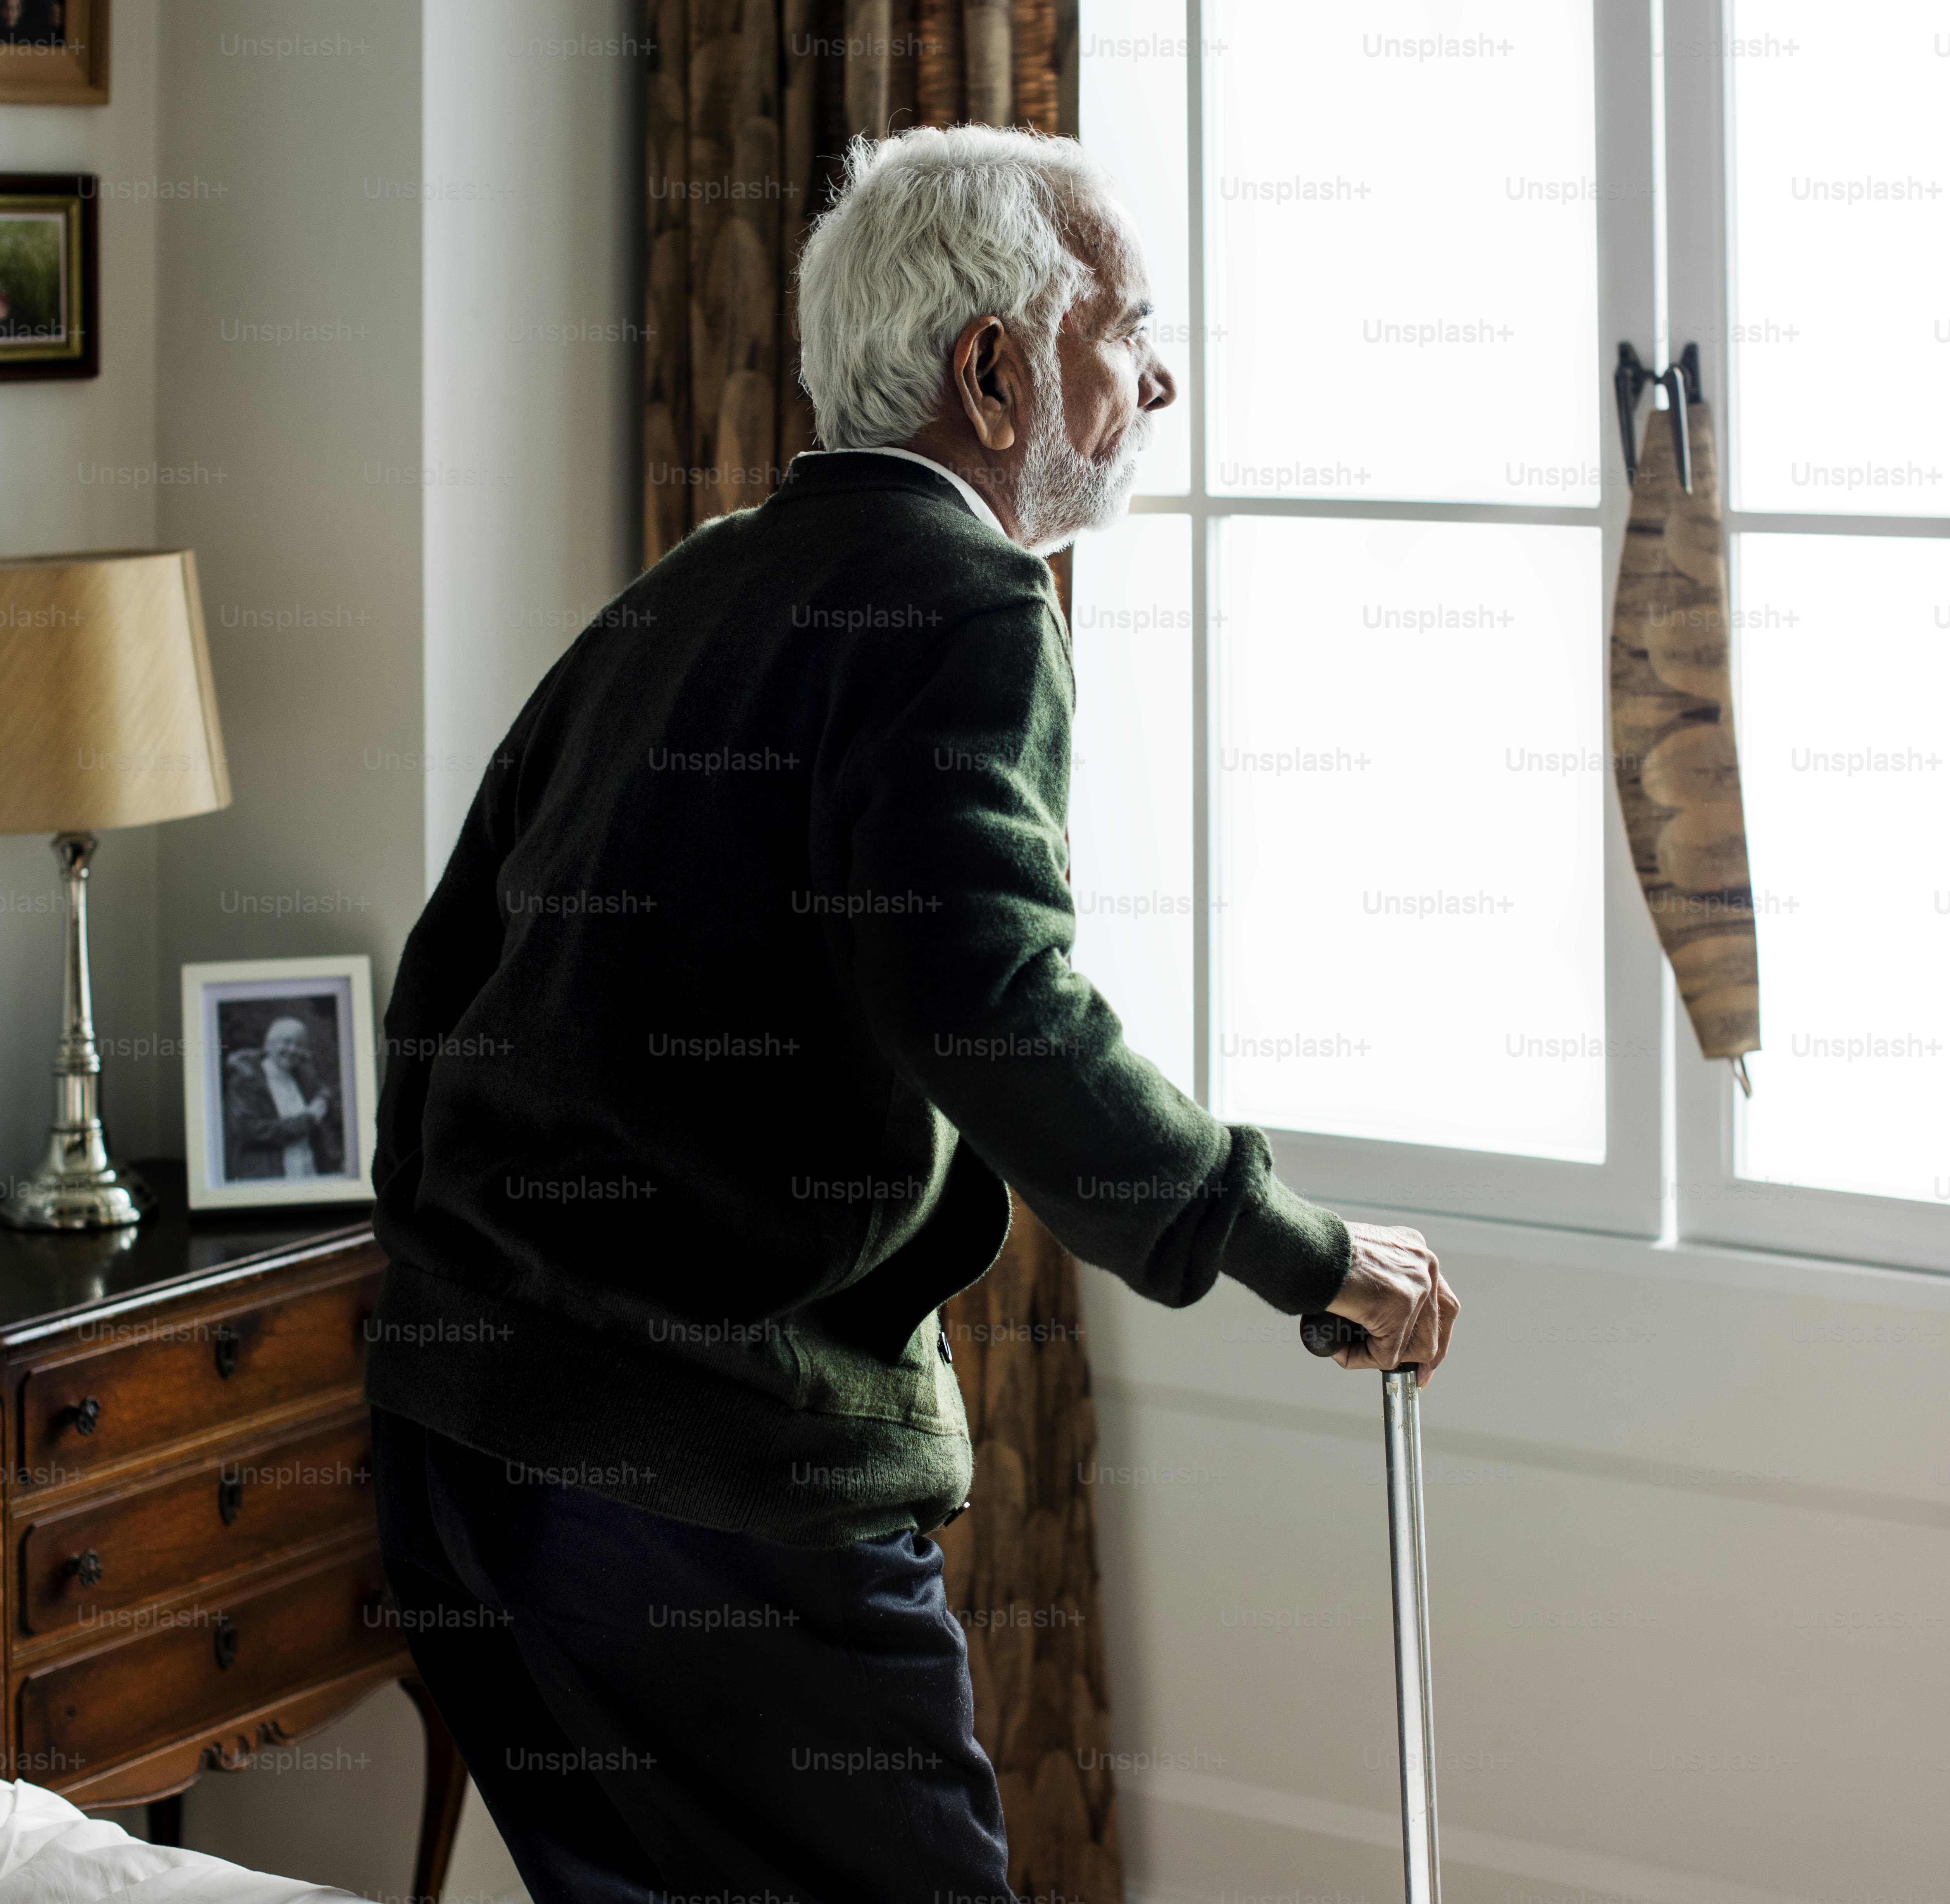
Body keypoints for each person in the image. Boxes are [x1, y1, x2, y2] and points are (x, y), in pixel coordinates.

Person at [366, 124, 1459, 1904]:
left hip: (462, 1458)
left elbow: (441, 984)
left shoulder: (683, 591)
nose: (1157, 376)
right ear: (994, 363)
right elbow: (993, 999)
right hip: (704, 1478)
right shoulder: (962, 597)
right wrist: (1297, 1245)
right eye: (1126, 327)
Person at [221, 1015, 340, 1180]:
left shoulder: (302, 1076)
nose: (293, 1050)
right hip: (268, 1177)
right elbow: (248, 1131)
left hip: (308, 1170)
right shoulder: (245, 1080)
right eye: (287, 1042)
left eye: (299, 1045)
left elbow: (324, 1093)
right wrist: (308, 1120)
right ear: (268, 1044)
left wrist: (323, 1098)